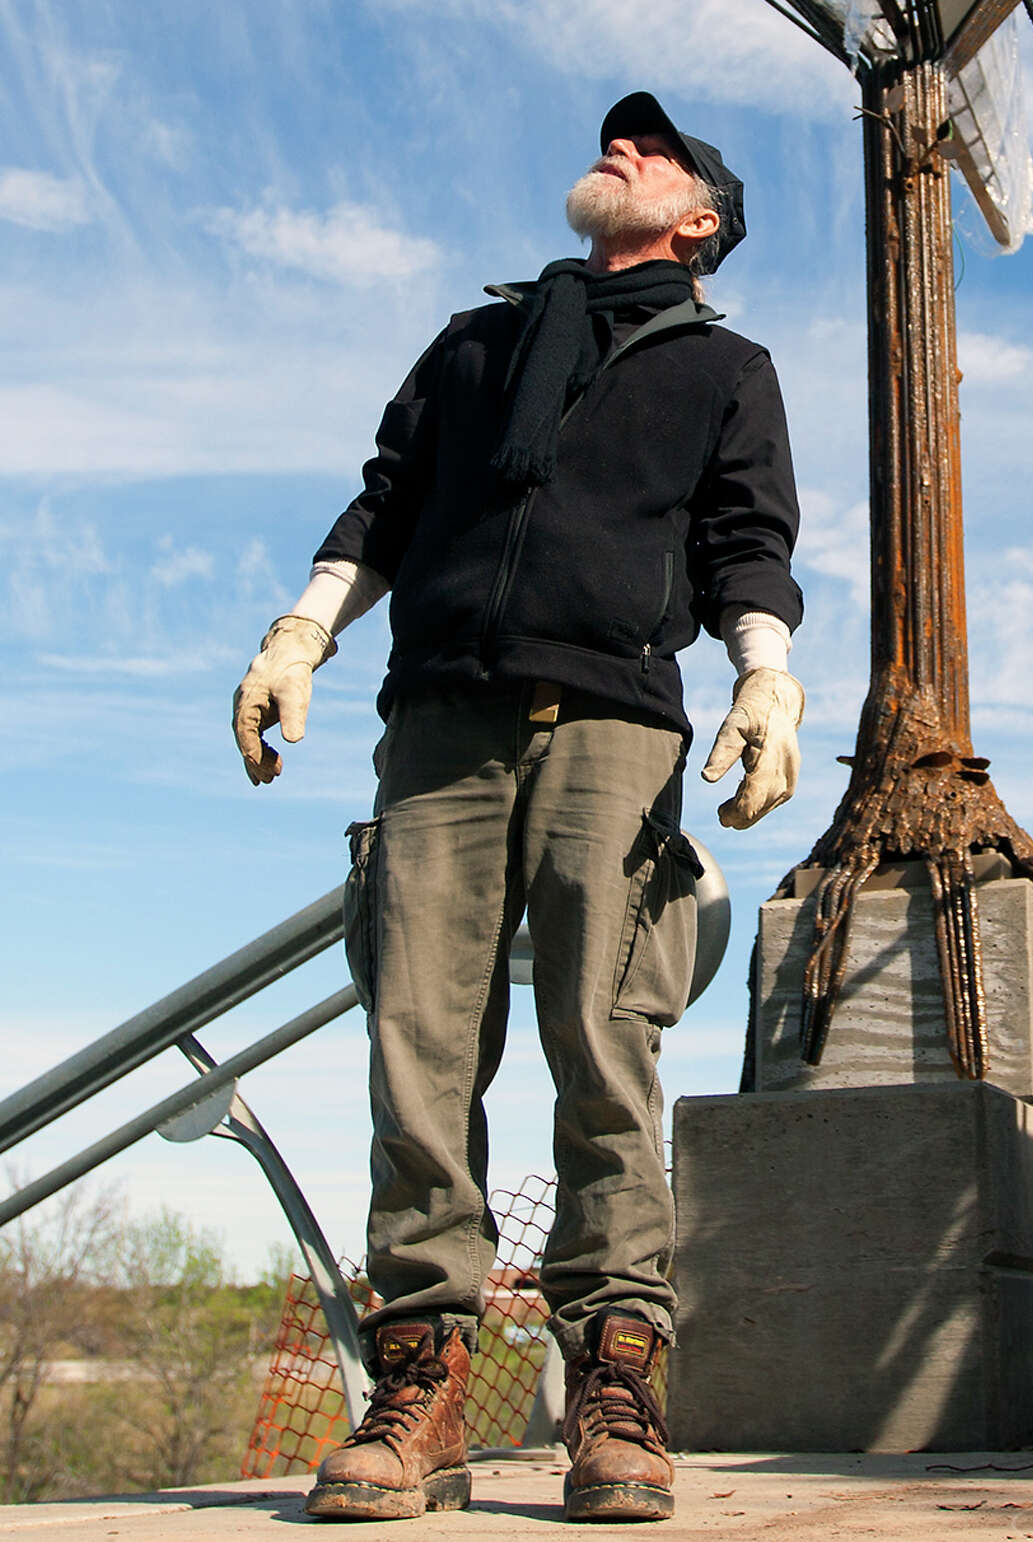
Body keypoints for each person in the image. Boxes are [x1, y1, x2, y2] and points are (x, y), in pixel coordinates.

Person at [233, 91, 805, 1524]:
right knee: (418, 1050)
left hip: (615, 725)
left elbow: (747, 540)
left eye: (653, 149)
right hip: (440, 717)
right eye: (618, 138)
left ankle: (614, 1385)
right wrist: (300, 631)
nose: (620, 148)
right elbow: (388, 499)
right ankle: (420, 1386)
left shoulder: (727, 369)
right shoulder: (478, 342)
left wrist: (767, 679)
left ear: (699, 220)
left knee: (607, 1049)